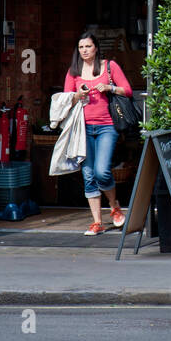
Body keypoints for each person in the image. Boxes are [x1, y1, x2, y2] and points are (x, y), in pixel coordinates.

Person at [63, 30, 132, 236]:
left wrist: (109, 88)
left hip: (106, 126)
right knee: (88, 173)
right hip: (82, 128)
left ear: (96, 48)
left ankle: (114, 205)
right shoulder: (73, 71)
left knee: (102, 171)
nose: (84, 50)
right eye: (81, 47)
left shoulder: (109, 66)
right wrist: (78, 95)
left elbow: (127, 90)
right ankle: (97, 222)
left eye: (88, 46)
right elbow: (65, 100)